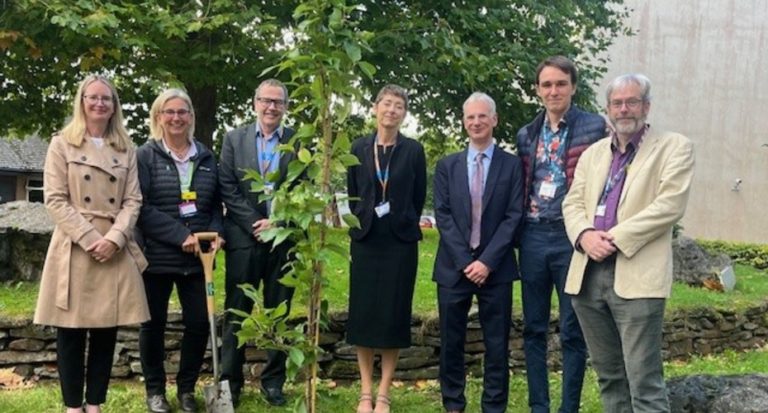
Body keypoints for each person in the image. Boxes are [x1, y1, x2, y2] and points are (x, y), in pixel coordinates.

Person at [562, 73, 695, 412]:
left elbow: (669, 205)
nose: (624, 110)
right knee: (610, 378)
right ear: (607, 109)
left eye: (632, 102)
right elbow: (573, 202)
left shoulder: (674, 147)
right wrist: (585, 236)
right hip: (588, 275)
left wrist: (614, 238)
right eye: (617, 103)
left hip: (637, 278)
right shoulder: (592, 154)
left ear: (646, 106)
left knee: (644, 382)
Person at [34, 75, 150, 413]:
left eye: (107, 98)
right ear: (81, 101)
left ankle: (95, 402)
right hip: (74, 246)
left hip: (114, 246)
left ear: (114, 106)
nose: (100, 103)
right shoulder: (62, 144)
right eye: (93, 97)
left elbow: (133, 200)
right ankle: (73, 406)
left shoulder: (125, 148)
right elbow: (55, 200)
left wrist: (115, 238)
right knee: (70, 331)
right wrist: (90, 238)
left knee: (105, 329)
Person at [515, 55, 605, 413]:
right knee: (533, 329)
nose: (554, 91)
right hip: (534, 238)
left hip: (573, 240)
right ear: (538, 90)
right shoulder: (526, 134)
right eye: (547, 84)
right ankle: (540, 407)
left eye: (560, 83)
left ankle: (569, 408)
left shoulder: (595, 127)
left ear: (573, 87)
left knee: (572, 330)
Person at [433, 92, 523, 413]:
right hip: (453, 268)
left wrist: (486, 262)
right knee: (451, 344)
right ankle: (454, 404)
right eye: (470, 117)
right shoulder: (447, 166)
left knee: (497, 346)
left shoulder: (512, 166)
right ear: (463, 121)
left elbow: (514, 216)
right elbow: (442, 215)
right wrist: (466, 261)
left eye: (482, 116)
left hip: (496, 270)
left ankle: (493, 407)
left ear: (494, 120)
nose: (476, 122)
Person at [136, 88, 223, 413]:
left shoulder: (206, 156)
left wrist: (218, 232)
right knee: (152, 325)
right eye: (169, 112)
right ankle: (155, 392)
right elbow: (141, 208)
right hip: (157, 256)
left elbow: (216, 204)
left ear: (191, 117)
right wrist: (180, 235)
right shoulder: (145, 155)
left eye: (182, 112)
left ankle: (186, 390)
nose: (176, 118)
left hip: (198, 258)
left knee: (200, 322)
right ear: (159, 117)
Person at [346, 84, 427, 413]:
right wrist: (361, 218)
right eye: (387, 104)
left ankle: (384, 393)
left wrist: (405, 219)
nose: (391, 110)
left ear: (404, 113)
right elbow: (353, 192)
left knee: (393, 316)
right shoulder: (358, 147)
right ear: (375, 107)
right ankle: (365, 391)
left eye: (398, 106)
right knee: (363, 316)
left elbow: (419, 194)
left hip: (400, 242)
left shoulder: (413, 150)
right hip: (366, 240)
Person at [218, 78, 297, 407]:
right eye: (266, 100)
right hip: (244, 238)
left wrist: (277, 222)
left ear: (285, 107)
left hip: (284, 240)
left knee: (279, 310)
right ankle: (230, 381)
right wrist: (254, 223)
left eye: (278, 102)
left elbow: (301, 187)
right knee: (237, 311)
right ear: (254, 104)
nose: (271, 107)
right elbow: (227, 186)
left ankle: (273, 381)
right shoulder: (234, 139)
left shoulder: (296, 141)